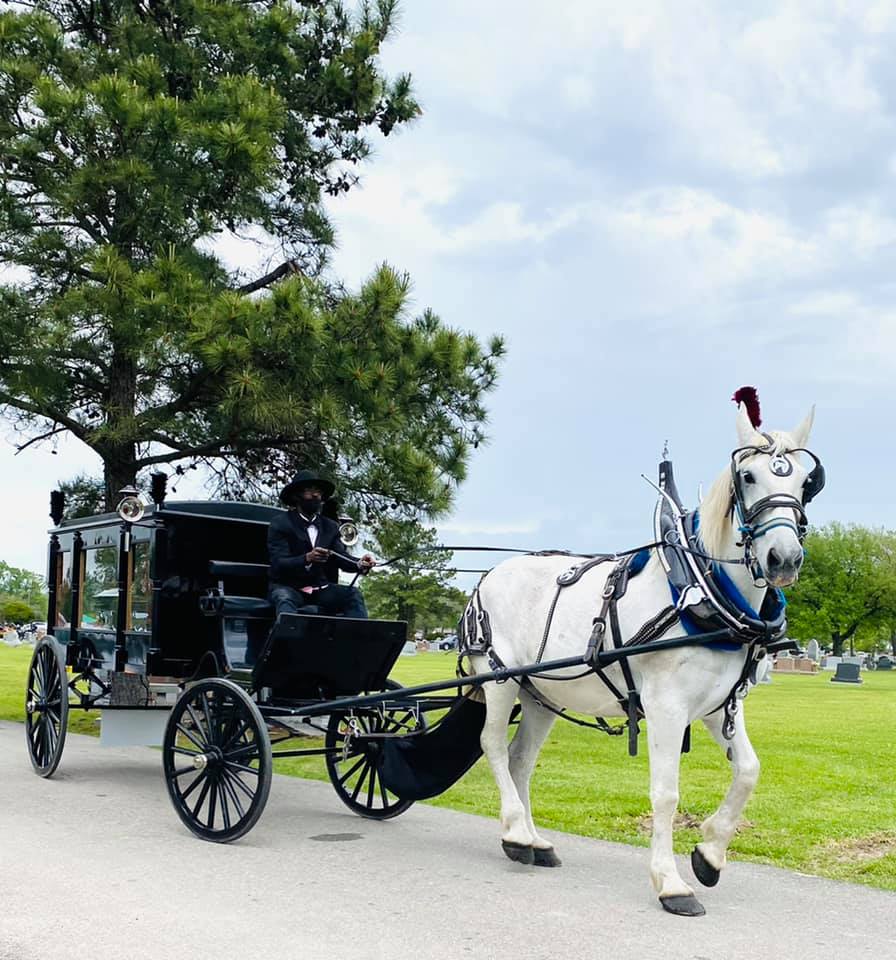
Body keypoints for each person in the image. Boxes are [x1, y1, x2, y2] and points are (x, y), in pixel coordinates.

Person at [267, 470, 375, 620]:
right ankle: (287, 641)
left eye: (318, 491)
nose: (315, 495)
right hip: (289, 587)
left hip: (320, 589)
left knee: (352, 594)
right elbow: (279, 562)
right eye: (309, 491)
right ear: (296, 496)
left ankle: (358, 640)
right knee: (284, 598)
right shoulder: (280, 523)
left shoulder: (330, 526)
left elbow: (340, 557)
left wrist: (359, 563)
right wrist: (307, 558)